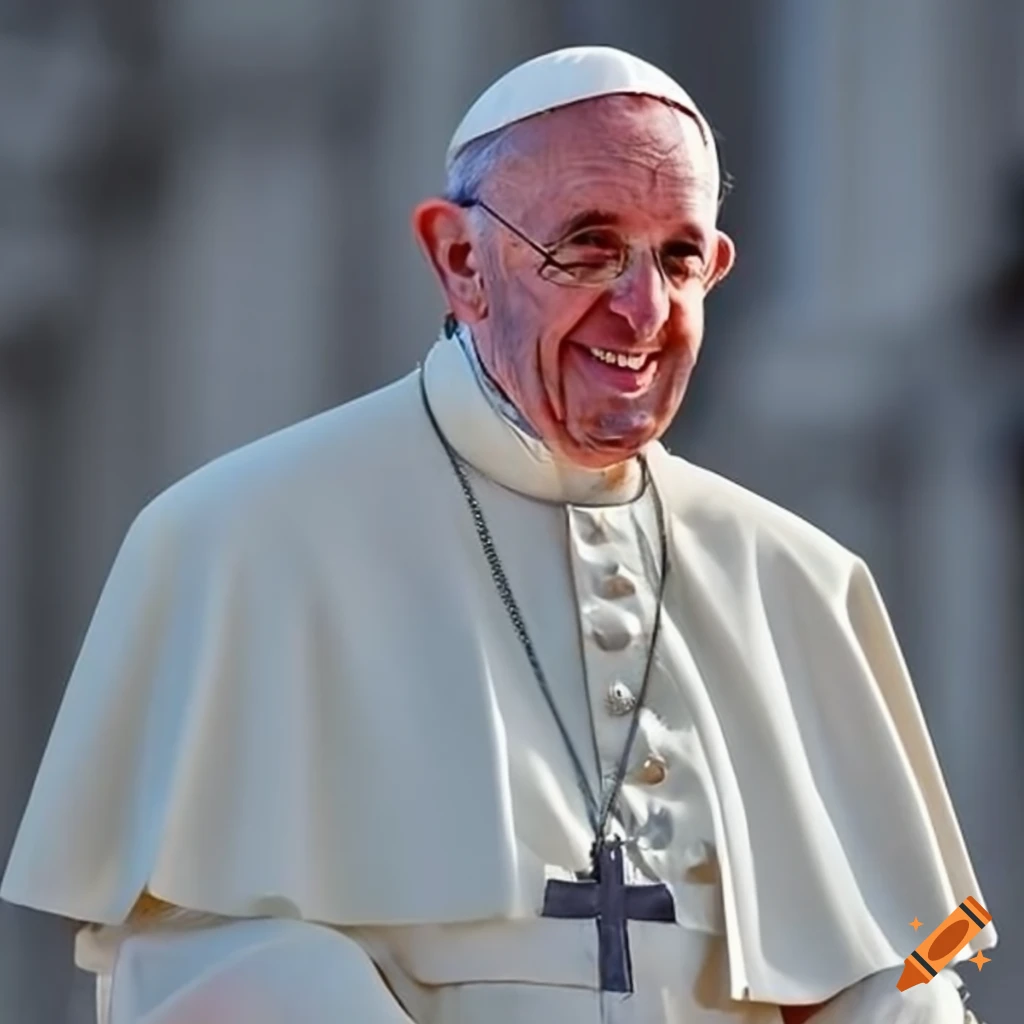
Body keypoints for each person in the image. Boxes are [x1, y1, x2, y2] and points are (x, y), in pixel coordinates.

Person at [1, 45, 994, 1024]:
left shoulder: (795, 580)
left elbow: (899, 967)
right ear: (459, 259)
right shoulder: (240, 539)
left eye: (679, 256)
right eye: (589, 247)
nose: (642, 308)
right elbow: (190, 955)